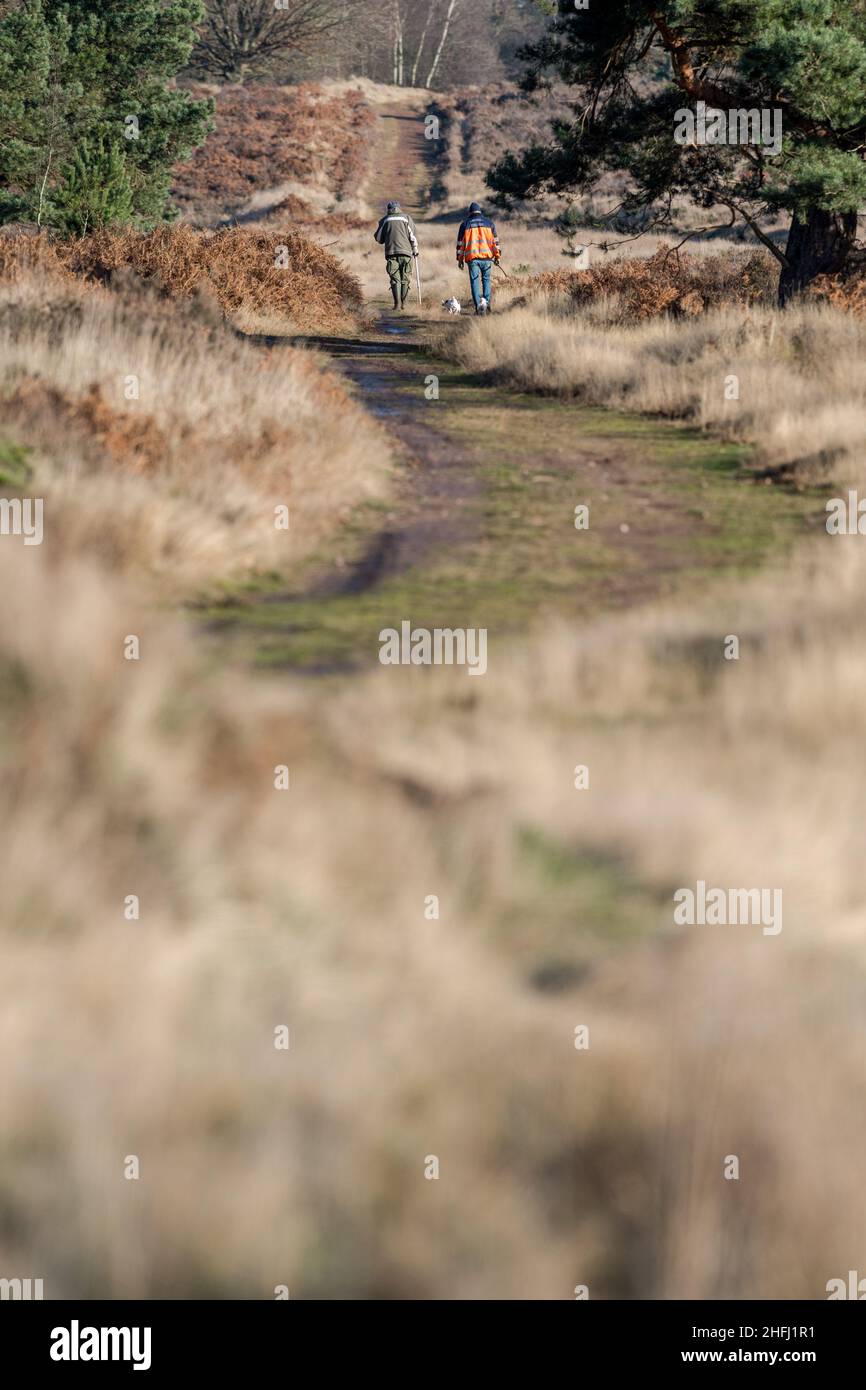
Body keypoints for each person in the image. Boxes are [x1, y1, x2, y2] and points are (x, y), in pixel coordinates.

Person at [456, 201, 501, 314]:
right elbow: (495, 242)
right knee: (486, 281)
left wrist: (460, 259)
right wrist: (497, 256)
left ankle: (478, 308)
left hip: (473, 259)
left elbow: (460, 245)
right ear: (480, 212)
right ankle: (486, 305)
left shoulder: (465, 224)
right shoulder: (489, 223)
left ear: (470, 212)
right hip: (487, 259)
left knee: (474, 282)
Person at [373, 200, 419, 311]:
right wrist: (415, 249)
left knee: (395, 279)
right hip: (406, 253)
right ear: (399, 208)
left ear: (388, 209)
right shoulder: (406, 218)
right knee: (405, 278)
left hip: (391, 253)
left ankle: (397, 304)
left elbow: (378, 238)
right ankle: (403, 304)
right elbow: (413, 236)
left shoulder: (385, 220)